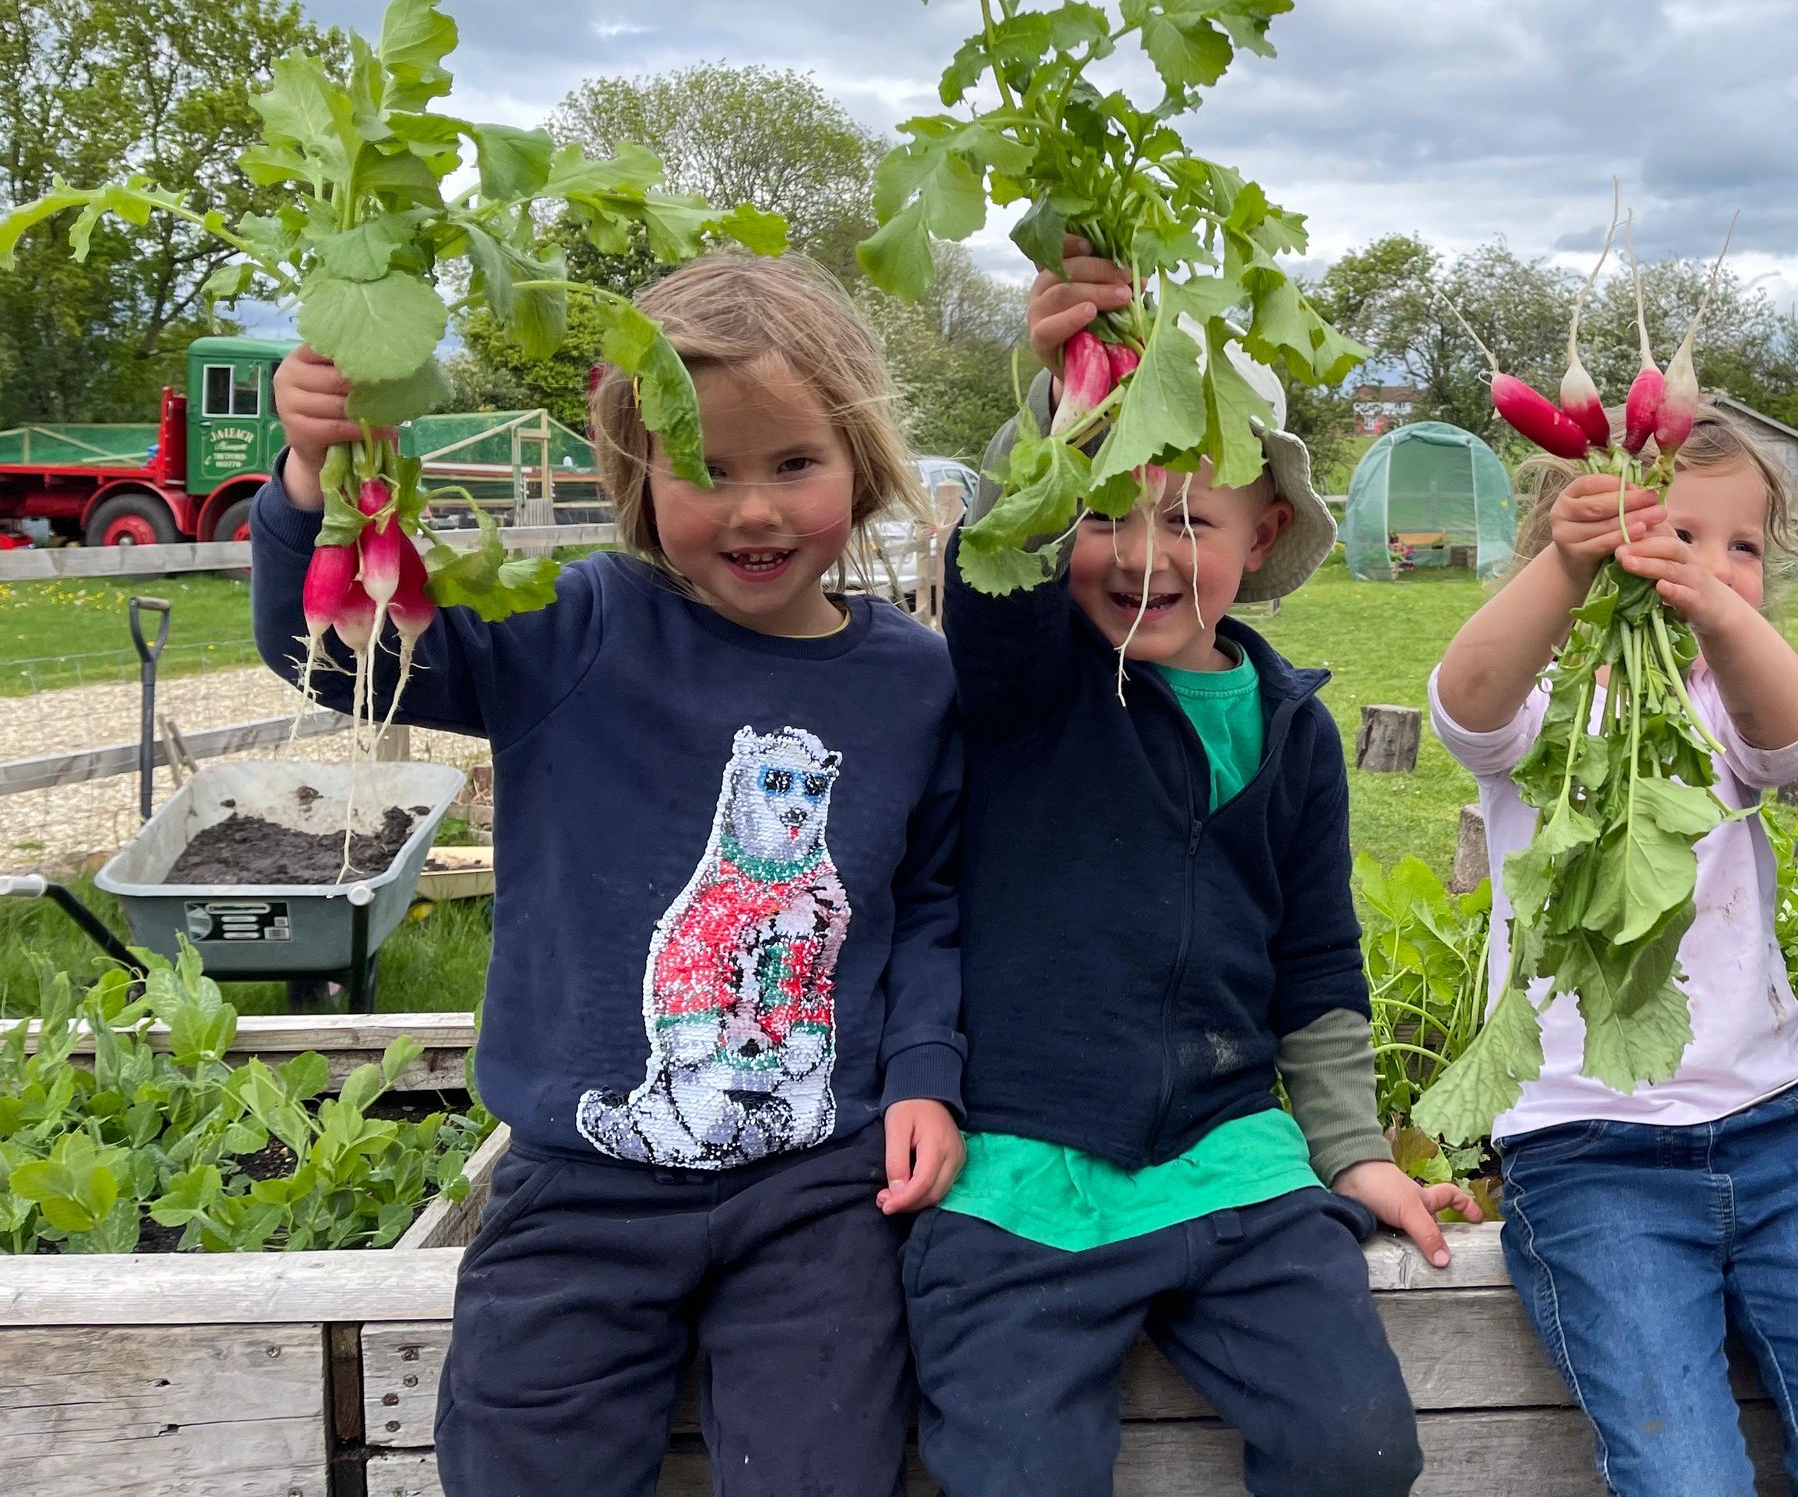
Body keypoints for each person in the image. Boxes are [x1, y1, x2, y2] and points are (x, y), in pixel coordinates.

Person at [252, 252, 965, 1497]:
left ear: (859, 463)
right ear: (638, 477)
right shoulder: (577, 623)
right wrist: (322, 475)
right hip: (579, 1185)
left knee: (824, 1468)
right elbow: (338, 650)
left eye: (794, 464)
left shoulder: (912, 678)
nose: (753, 511)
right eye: (704, 468)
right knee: (527, 1461)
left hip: (818, 1178)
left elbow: (933, 902)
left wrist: (922, 1080)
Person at [904, 240, 1477, 1497]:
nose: (1142, 553)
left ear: (1262, 531)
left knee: (1358, 1449)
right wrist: (1057, 419)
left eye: (1187, 517)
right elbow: (994, 596)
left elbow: (1317, 960)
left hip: (1227, 1159)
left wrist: (1349, 1150)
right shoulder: (1035, 687)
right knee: (1014, 1475)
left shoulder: (1293, 730)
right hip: (1017, 1171)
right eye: (1104, 512)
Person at [1429, 417, 1798, 1497]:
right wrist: (1565, 571)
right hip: (1586, 1153)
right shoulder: (1544, 705)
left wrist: (1713, 613)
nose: (1705, 564)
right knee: (1683, 1476)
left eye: (1741, 547)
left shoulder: (1726, 709)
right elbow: (1464, 700)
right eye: (1671, 533)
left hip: (1774, 1135)